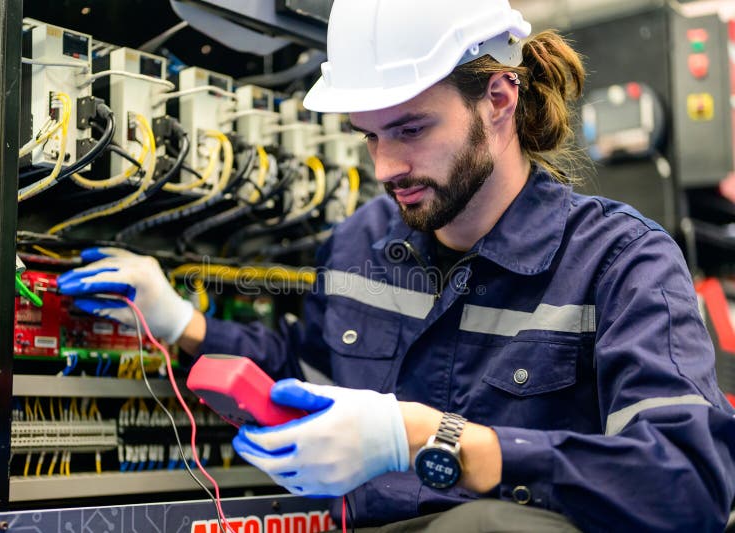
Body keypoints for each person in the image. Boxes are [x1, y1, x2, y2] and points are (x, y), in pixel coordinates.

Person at [57, 1, 735, 531]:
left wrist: (427, 438)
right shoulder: (361, 243)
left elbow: (686, 482)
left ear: (499, 98)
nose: (385, 167)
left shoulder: (620, 262)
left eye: (410, 130)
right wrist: (179, 321)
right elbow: (313, 367)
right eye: (370, 135)